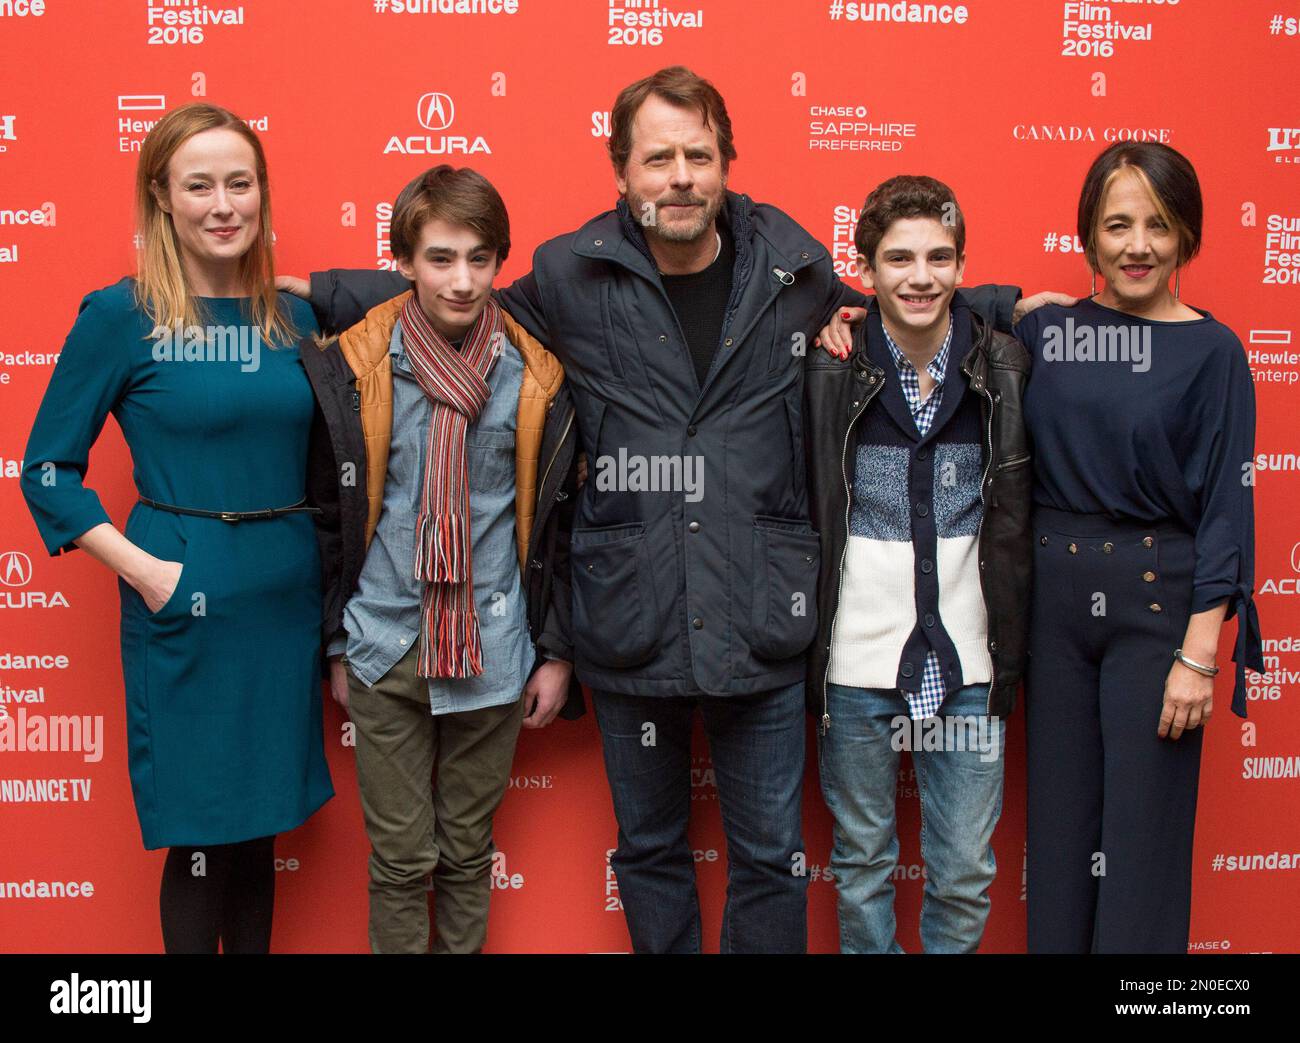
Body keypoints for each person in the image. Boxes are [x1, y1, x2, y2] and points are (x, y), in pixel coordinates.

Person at [286, 66, 1026, 954]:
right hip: (629, 610)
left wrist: (1015, 308)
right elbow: (455, 298)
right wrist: (315, 295)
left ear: (726, 164)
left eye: (698, 155)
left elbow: (901, 306)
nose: (680, 176)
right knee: (649, 851)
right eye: (658, 158)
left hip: (762, 611)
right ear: (622, 172)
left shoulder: (795, 266)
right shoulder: (570, 273)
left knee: (770, 855)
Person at [19, 103, 332, 954]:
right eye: (200, 186)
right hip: (185, 598)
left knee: (260, 830)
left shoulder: (296, 319)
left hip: (284, 599)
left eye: (241, 183)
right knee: (200, 835)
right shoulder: (122, 317)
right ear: (162, 197)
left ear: (264, 194)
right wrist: (146, 571)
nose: (224, 204)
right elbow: (46, 470)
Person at [299, 165, 579, 954]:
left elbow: (558, 529)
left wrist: (555, 651)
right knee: (398, 859)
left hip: (492, 647)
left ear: (501, 262)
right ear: (403, 260)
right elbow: (330, 517)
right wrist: (335, 644)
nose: (462, 281)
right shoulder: (355, 367)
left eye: (480, 259)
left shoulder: (538, 375)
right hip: (384, 640)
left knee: (464, 854)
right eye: (440, 258)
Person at [1011, 141, 1263, 953]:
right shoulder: (1047, 330)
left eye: (1159, 224)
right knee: (1057, 840)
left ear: (1187, 234)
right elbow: (927, 303)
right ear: (1088, 235)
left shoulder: (1213, 352)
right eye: (1117, 224)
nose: (1137, 245)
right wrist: (1013, 303)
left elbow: (1228, 502)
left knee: (1143, 851)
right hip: (1051, 612)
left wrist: (1199, 653)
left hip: (1158, 611)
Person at [804, 175, 1032, 952]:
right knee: (863, 863)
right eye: (898, 258)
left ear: (963, 265)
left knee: (964, 868)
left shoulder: (1002, 365)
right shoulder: (830, 366)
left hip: (970, 662)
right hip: (856, 661)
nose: (921, 275)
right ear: (865, 270)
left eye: (940, 256)